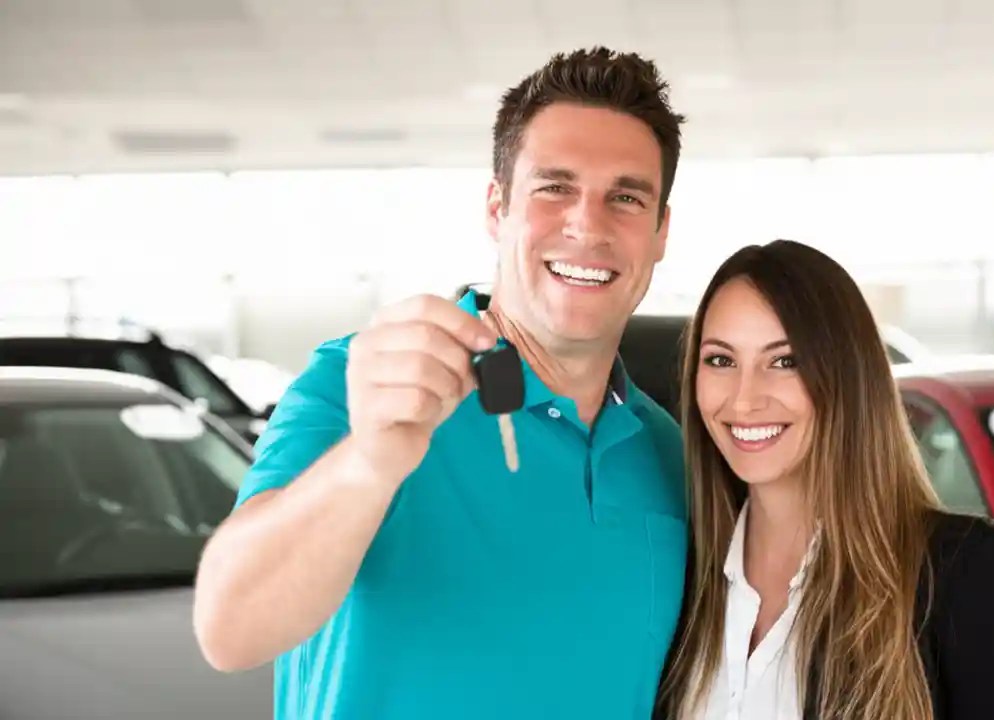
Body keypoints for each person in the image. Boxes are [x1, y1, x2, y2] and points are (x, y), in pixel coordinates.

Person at [193, 47, 689, 720]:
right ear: (496, 208)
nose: (587, 224)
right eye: (554, 187)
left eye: (625, 198)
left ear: (660, 231)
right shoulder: (362, 384)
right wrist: (370, 462)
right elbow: (231, 631)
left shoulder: (667, 451)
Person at [655, 240, 994, 720]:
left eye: (784, 361)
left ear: (847, 377)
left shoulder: (961, 574)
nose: (743, 400)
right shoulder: (675, 572)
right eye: (721, 360)